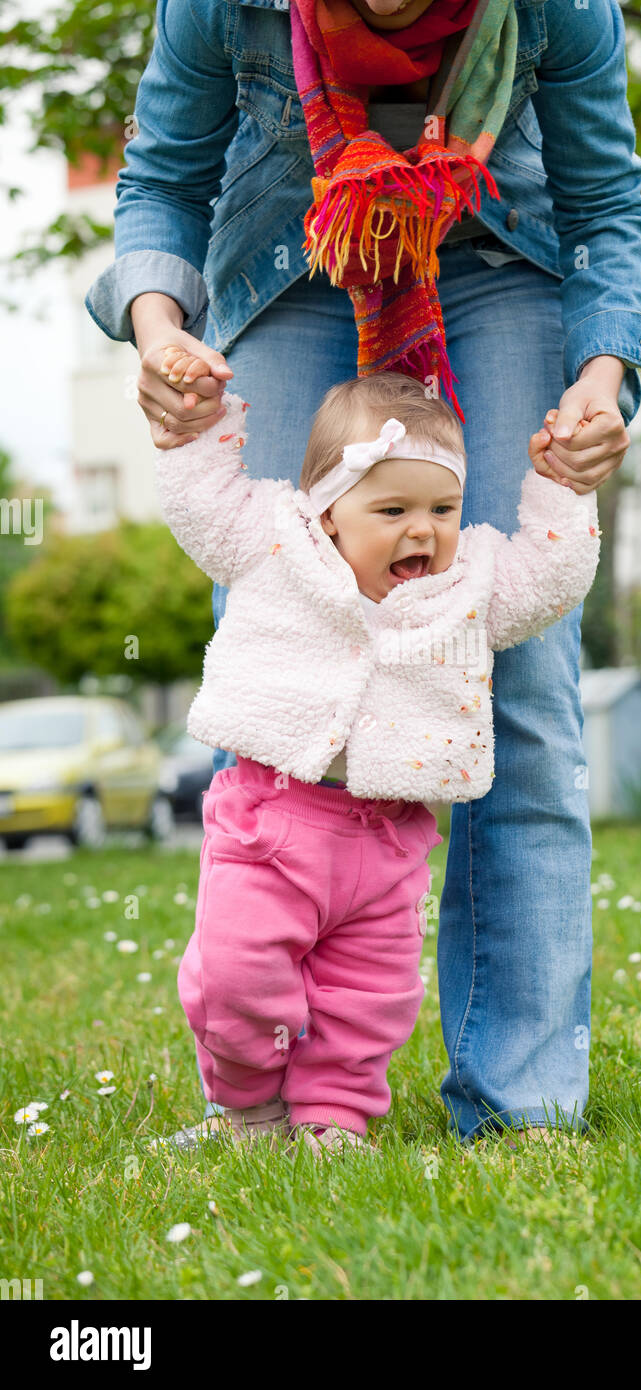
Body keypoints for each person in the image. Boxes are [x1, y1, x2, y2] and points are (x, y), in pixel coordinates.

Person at [85, 0, 641, 1147]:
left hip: (501, 262)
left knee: (517, 673)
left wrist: (600, 379)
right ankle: (260, 1097)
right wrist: (159, 331)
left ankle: (522, 1103)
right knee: (281, 640)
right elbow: (161, 178)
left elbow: (606, 204)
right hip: (292, 262)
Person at [150, 356, 600, 1155]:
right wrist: (199, 426)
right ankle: (248, 1108)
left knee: (366, 998)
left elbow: (552, 580)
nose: (423, 530)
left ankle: (333, 1118)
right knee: (233, 976)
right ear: (328, 511)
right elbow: (199, 505)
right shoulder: (275, 543)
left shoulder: (469, 585)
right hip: (267, 823)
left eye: (442, 508)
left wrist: (562, 487)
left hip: (386, 845)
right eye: (392, 509)